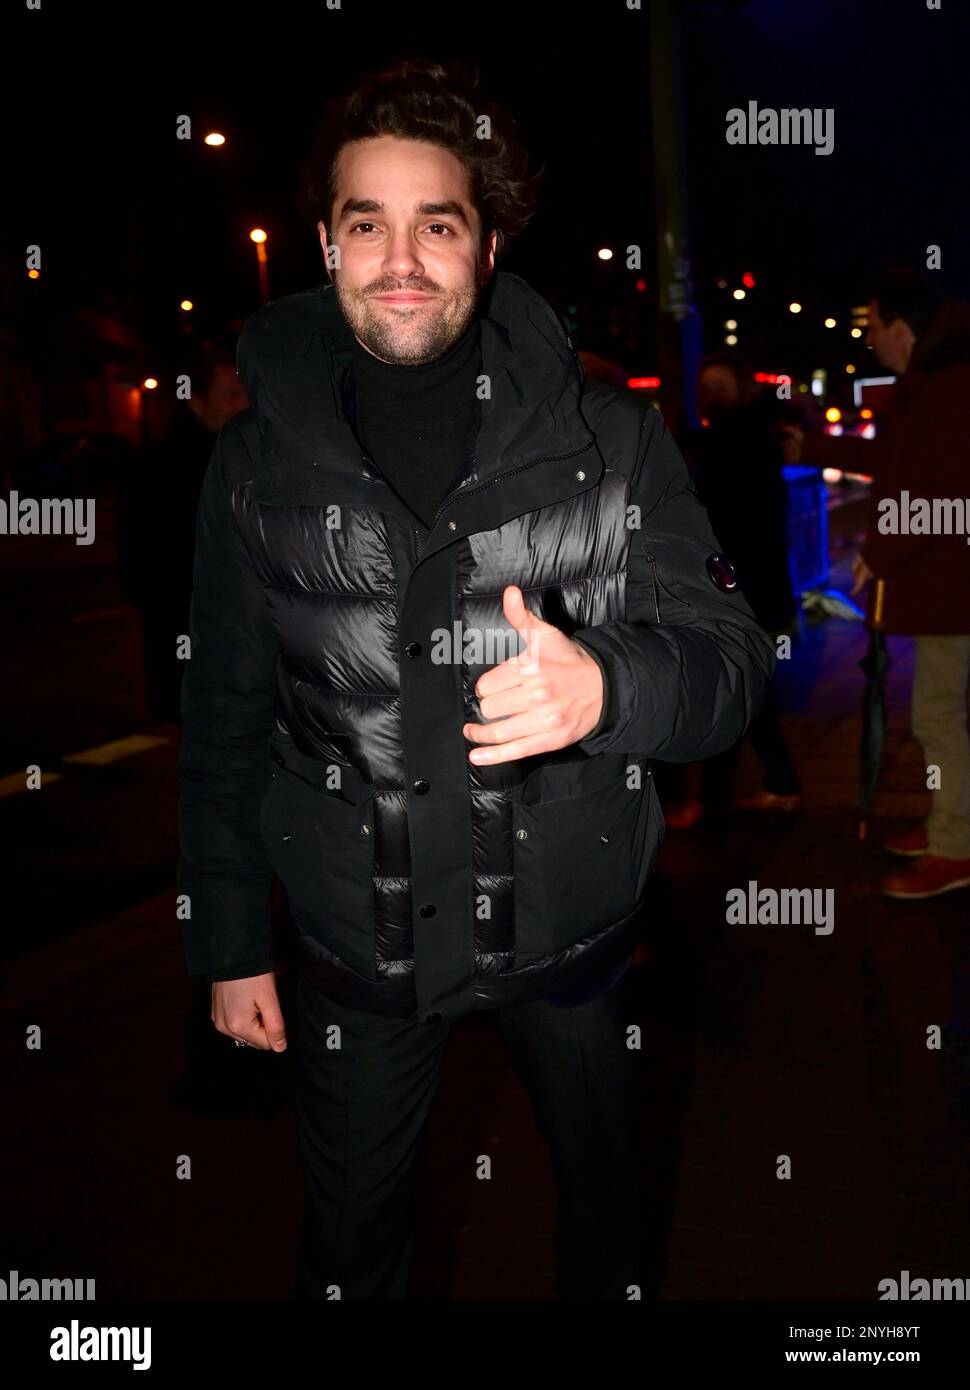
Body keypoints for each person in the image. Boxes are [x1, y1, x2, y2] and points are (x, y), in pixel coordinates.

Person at [176, 57, 775, 1300]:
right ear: (327, 243)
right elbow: (224, 717)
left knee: (606, 1218)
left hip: (574, 934)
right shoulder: (250, 460)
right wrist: (232, 944)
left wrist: (606, 690)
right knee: (348, 1247)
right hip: (356, 944)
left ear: (485, 243)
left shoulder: (610, 440)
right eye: (366, 224)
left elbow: (729, 669)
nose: (402, 257)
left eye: (435, 224)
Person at [783, 269, 970, 899]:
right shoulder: (940, 376)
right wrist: (812, 445)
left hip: (954, 590)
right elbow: (901, 462)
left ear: (899, 327)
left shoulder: (944, 384)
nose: (871, 345)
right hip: (950, 587)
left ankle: (956, 844)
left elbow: (943, 491)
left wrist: (879, 554)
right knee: (943, 715)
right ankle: (953, 827)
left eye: (872, 330)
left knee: (940, 717)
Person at [662, 350, 801, 828]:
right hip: (748, 589)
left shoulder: (731, 442)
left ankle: (714, 801)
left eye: (721, 385)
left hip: (737, 591)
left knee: (729, 691)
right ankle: (780, 783)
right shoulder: (742, 438)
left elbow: (731, 523)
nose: (711, 394)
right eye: (707, 385)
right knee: (747, 693)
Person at [116, 349, 248, 723]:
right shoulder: (180, 470)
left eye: (244, 393)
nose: (242, 405)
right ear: (196, 401)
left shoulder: (235, 461)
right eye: (230, 394)